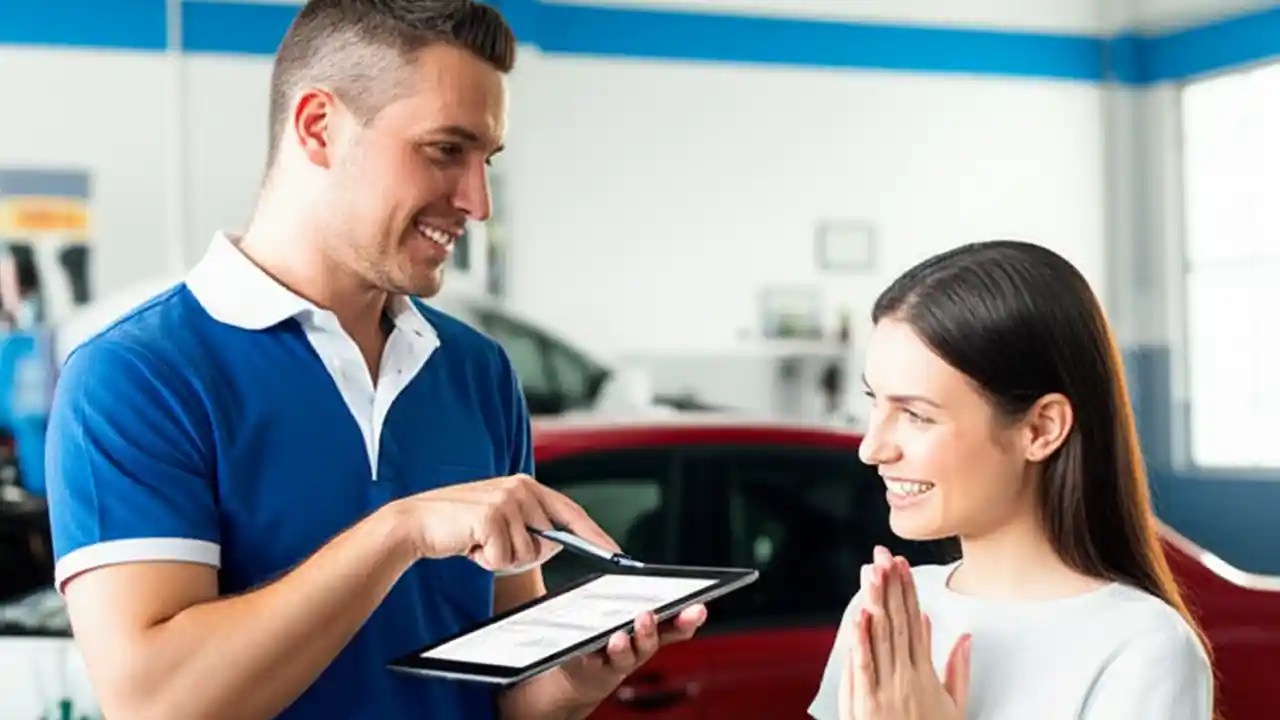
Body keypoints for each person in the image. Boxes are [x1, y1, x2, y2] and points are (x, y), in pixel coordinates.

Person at [43, 2, 705, 718]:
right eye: (446, 150)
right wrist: (400, 530)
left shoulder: (477, 373)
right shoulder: (137, 378)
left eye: (487, 160)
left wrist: (571, 680)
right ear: (318, 127)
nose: (477, 202)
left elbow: (504, 695)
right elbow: (158, 704)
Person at [808, 240, 1214, 720]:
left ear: (1040, 429)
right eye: (874, 402)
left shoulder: (1143, 648)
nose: (872, 448)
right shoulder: (883, 617)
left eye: (915, 415)